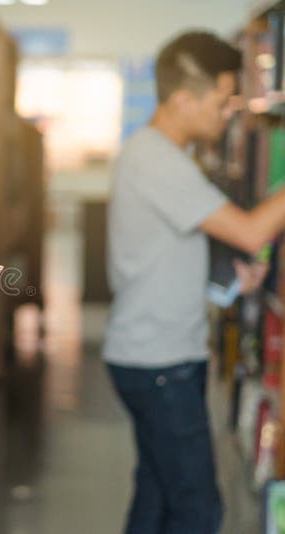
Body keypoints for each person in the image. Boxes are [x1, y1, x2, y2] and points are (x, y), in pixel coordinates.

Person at [105, 31, 285, 534]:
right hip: (160, 363)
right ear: (183, 99)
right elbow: (250, 232)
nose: (229, 112)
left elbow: (158, 257)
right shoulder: (159, 160)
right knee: (197, 511)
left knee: (158, 497)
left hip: (151, 354)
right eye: (222, 100)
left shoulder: (157, 155)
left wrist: (228, 284)